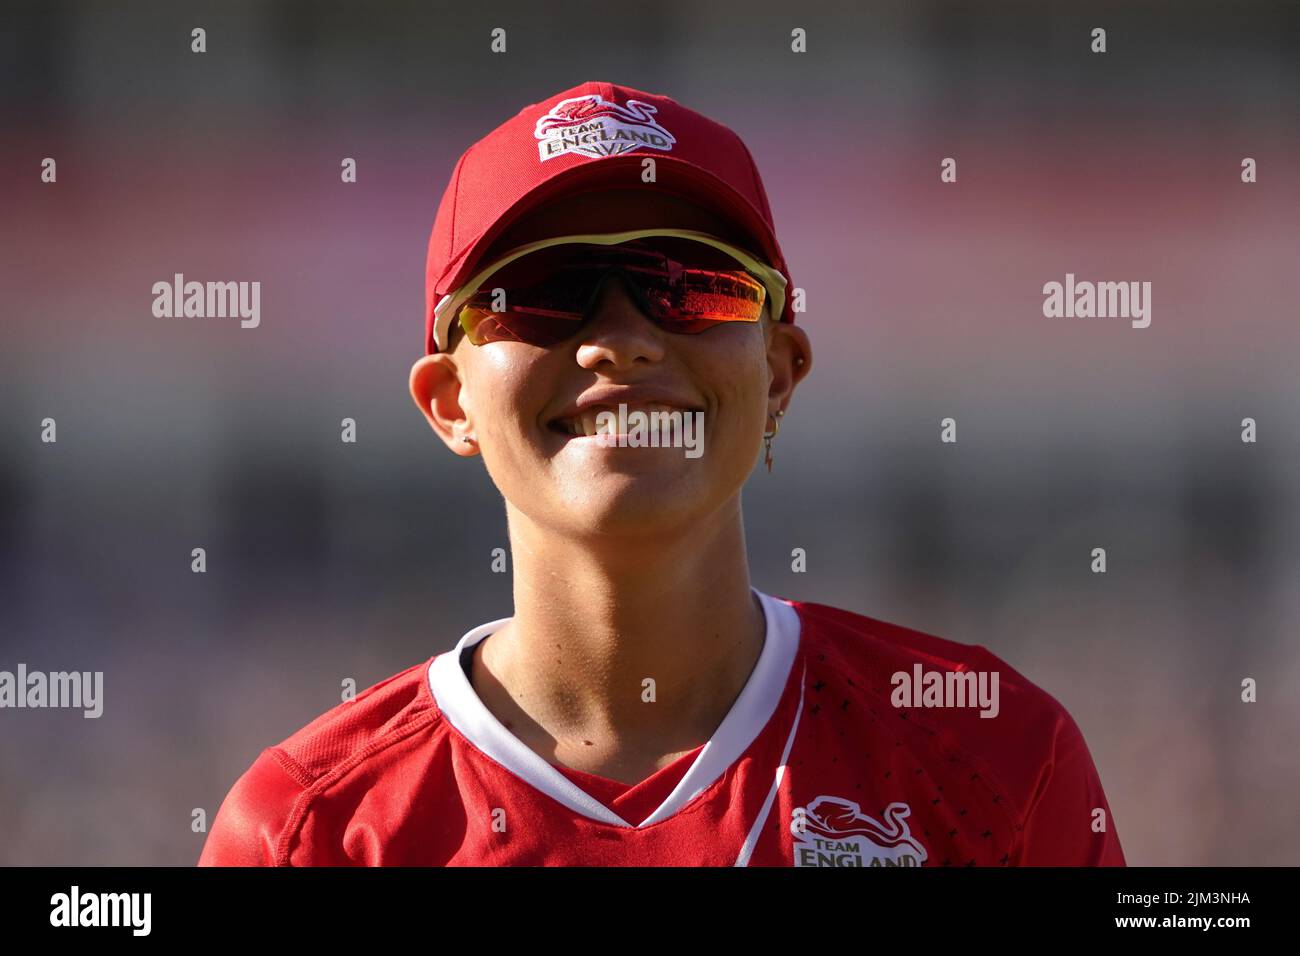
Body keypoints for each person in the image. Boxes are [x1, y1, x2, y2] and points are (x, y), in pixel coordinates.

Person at [198, 80, 1124, 866]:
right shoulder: (307, 830)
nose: (623, 342)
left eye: (691, 280)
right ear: (451, 401)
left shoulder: (992, 752)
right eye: (544, 291)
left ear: (777, 373)